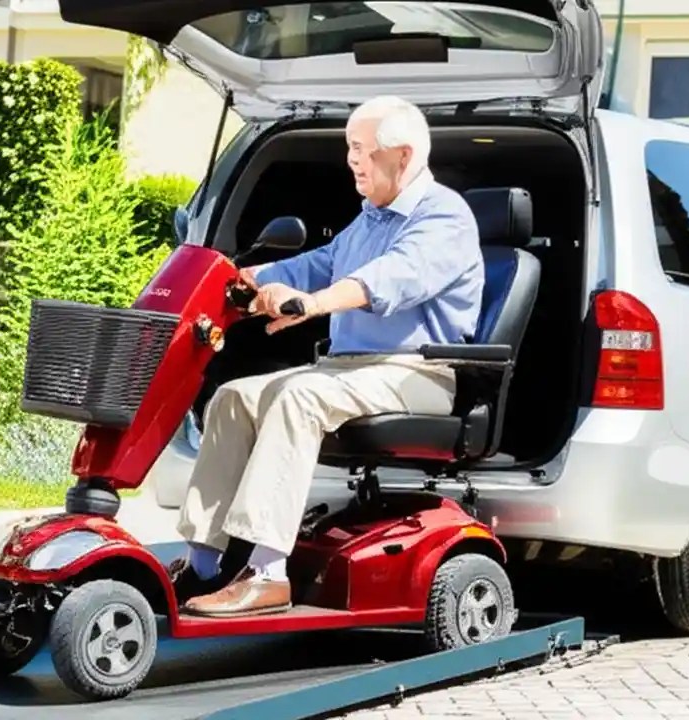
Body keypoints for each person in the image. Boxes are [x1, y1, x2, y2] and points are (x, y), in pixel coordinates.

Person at [168, 95, 485, 617]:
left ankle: (267, 573)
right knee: (232, 397)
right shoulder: (371, 219)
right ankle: (204, 564)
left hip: (417, 370)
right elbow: (320, 263)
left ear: (402, 156)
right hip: (348, 371)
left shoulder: (444, 215)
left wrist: (313, 305)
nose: (352, 160)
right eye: (349, 148)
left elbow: (390, 278)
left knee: (297, 396)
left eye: (361, 149)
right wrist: (247, 281)